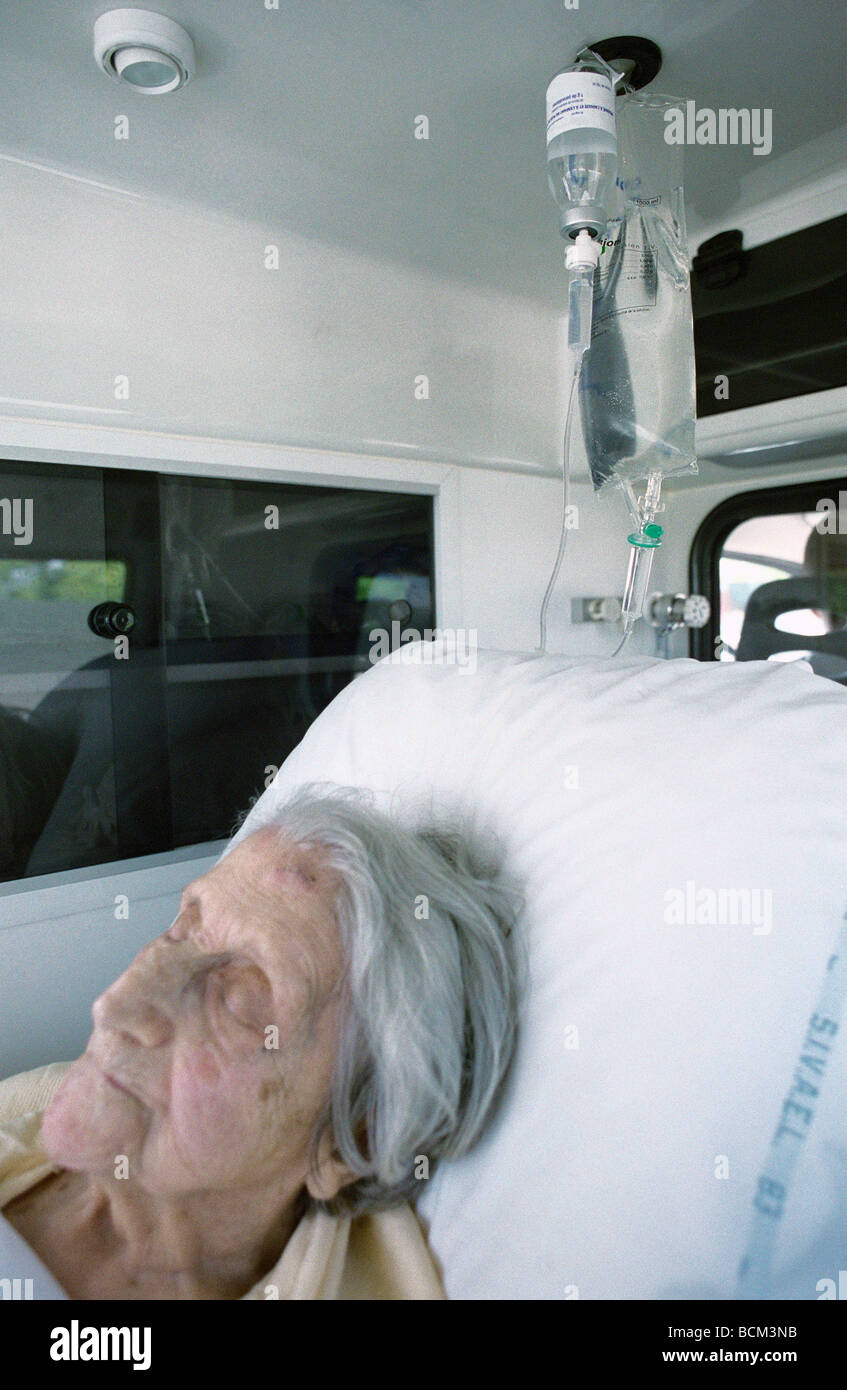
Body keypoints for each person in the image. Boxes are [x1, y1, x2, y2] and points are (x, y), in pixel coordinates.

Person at [0, 784, 522, 1299]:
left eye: (238, 1002)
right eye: (179, 931)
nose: (113, 1006)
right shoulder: (29, 1108)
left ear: (354, 1141)